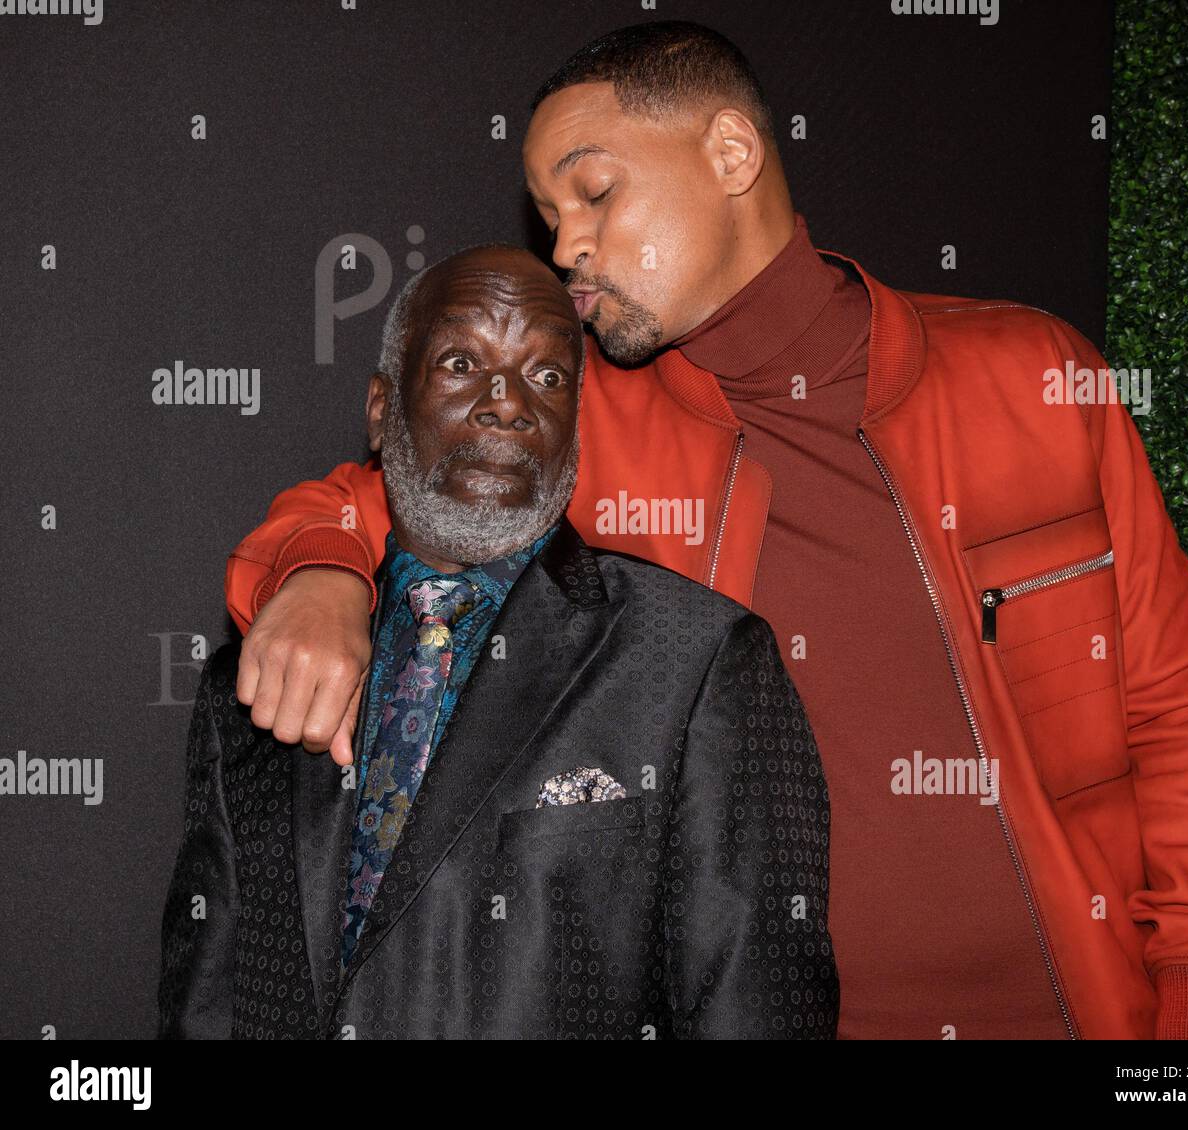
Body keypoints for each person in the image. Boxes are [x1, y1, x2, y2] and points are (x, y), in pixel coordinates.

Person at [222, 22, 1188, 1038]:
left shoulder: (1034, 375)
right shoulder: (582, 425)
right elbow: (354, 498)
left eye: (593, 192)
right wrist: (321, 576)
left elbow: (1183, 712)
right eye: (549, 218)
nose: (568, 248)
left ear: (731, 152)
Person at [157, 243, 838, 1039]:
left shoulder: (696, 662)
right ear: (382, 410)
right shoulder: (255, 680)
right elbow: (205, 1005)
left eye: (547, 377)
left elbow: (755, 1012)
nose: (507, 403)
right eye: (459, 363)